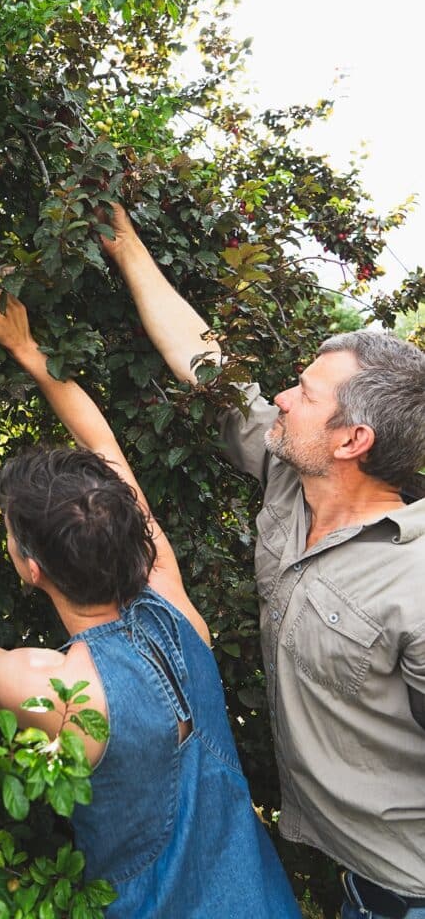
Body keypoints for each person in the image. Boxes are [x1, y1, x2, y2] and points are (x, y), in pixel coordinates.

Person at [0, 290, 301, 919]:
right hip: (261, 901)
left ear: (32, 570)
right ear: (132, 534)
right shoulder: (174, 605)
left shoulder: (52, 689)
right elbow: (103, 443)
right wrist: (28, 350)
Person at [100, 205, 425, 919]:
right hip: (354, 878)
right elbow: (209, 370)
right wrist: (125, 245)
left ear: (351, 441)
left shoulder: (415, 582)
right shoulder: (293, 474)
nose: (279, 395)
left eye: (304, 392)